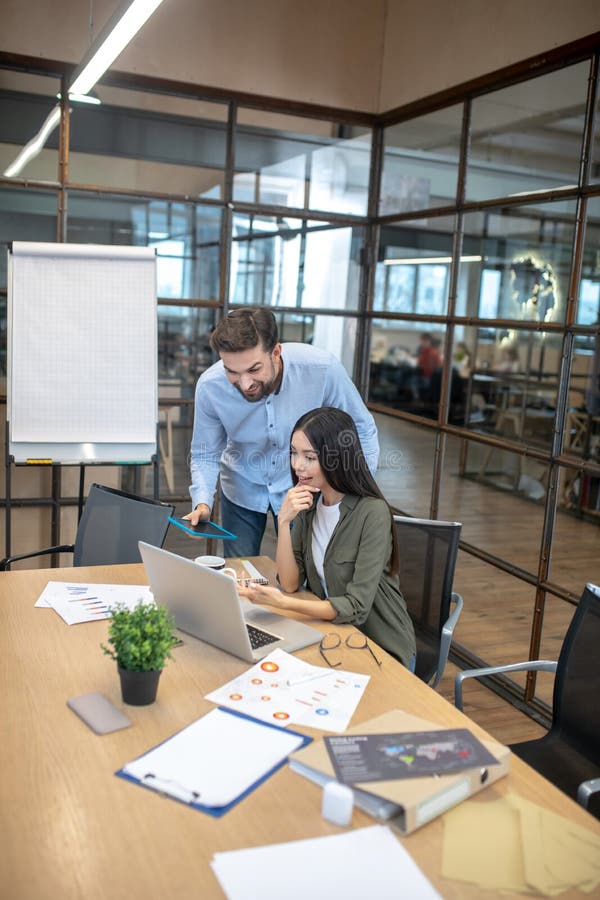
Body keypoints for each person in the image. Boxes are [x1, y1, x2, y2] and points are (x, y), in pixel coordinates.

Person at [187, 308, 379, 556]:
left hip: (304, 489)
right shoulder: (210, 386)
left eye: (254, 369)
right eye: (232, 371)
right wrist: (202, 502)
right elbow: (205, 452)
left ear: (276, 352)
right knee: (240, 570)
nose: (245, 383)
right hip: (241, 486)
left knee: (303, 571)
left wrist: (356, 495)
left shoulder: (322, 369)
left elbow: (361, 428)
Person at [238, 407, 416, 667]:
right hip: (335, 636)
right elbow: (289, 582)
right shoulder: (309, 502)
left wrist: (284, 603)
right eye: (293, 453)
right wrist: (283, 522)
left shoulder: (372, 512)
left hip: (380, 647)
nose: (297, 465)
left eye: (309, 457)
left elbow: (356, 607)